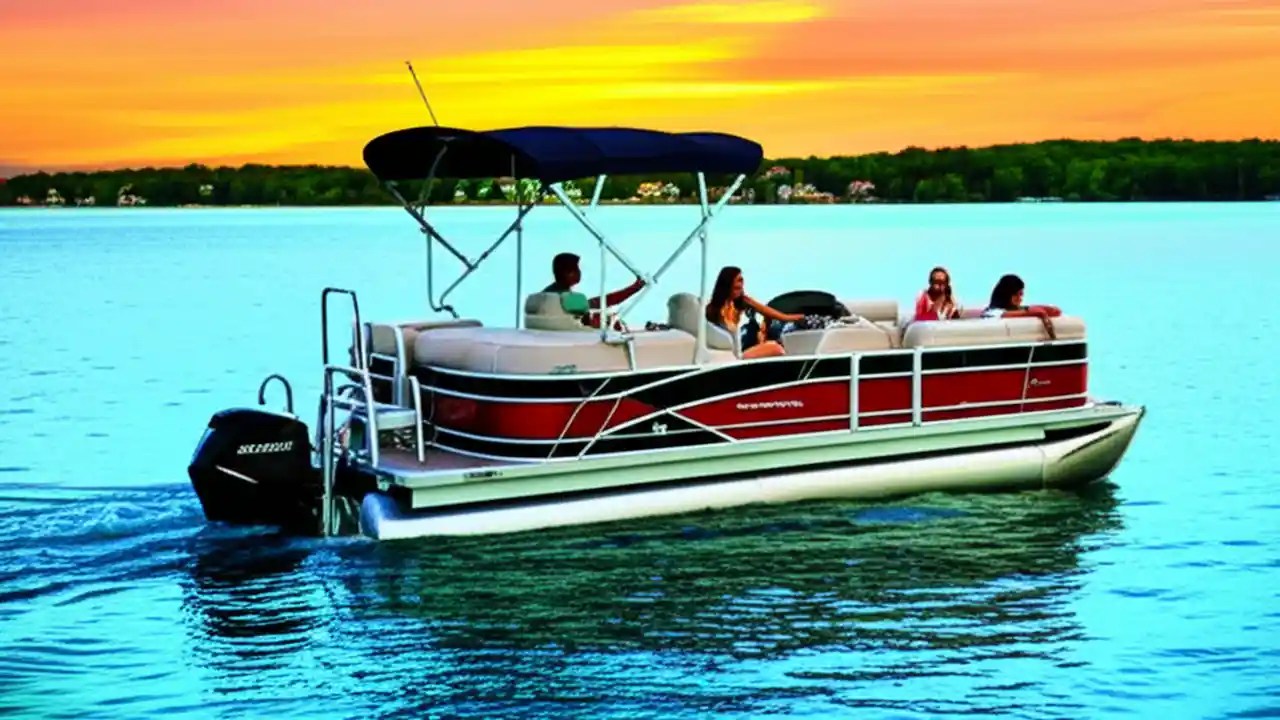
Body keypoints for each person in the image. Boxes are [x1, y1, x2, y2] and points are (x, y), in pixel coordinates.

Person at [704, 266, 804, 358]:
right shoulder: (712, 309)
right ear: (728, 282)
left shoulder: (741, 302)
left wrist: (793, 318)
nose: (741, 284)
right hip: (732, 355)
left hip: (738, 352)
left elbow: (768, 311)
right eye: (739, 280)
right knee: (776, 348)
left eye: (742, 281)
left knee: (776, 346)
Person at [544, 252, 645, 328]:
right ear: (568, 273)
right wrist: (635, 287)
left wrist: (634, 288)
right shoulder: (565, 298)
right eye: (577, 268)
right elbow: (603, 302)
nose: (580, 272)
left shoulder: (549, 294)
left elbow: (599, 302)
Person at [981, 273, 1061, 339]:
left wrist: (1040, 311)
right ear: (1006, 295)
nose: (1020, 298)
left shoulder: (1016, 309)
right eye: (1016, 294)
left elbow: (1055, 311)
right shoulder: (992, 312)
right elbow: (1011, 314)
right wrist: (1040, 313)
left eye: (1021, 294)